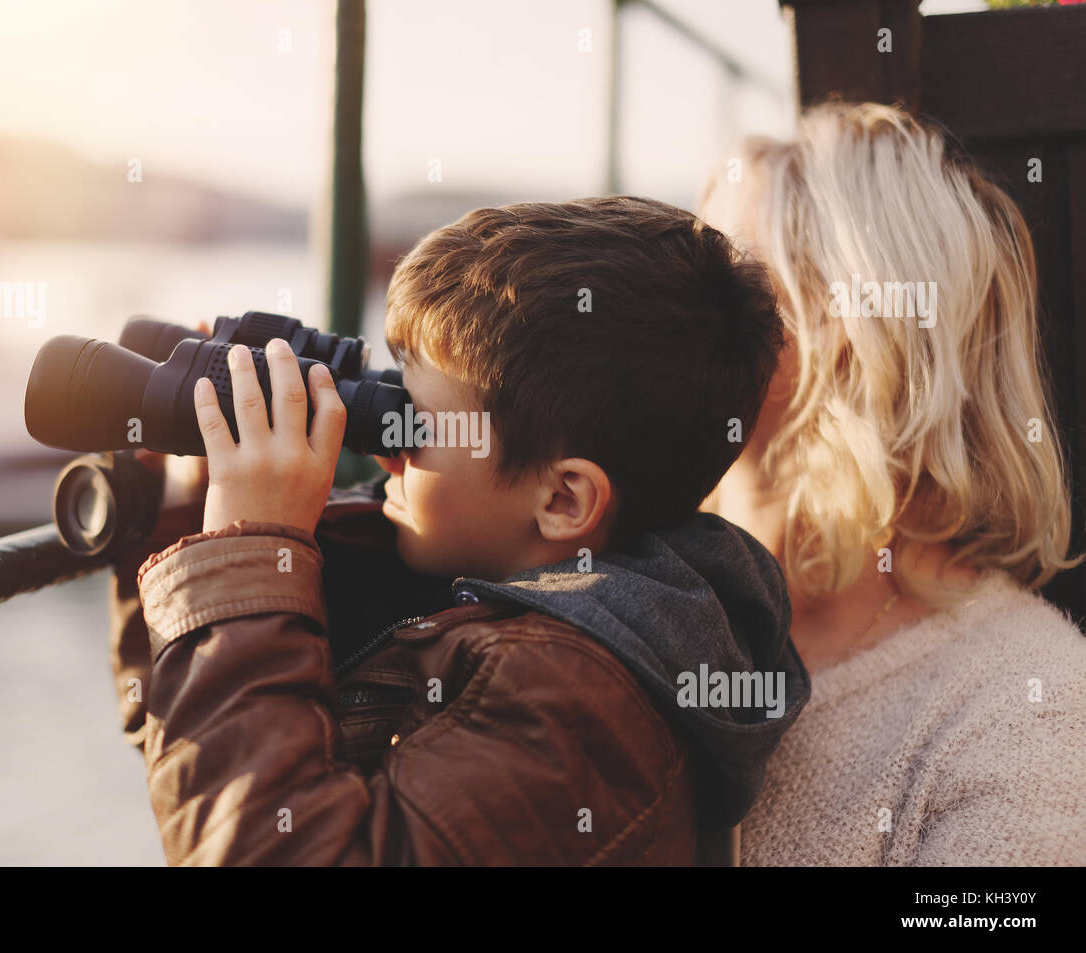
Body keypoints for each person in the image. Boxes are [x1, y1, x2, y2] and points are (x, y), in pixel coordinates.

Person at [108, 196, 809, 865]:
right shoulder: (536, 602)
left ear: (563, 500)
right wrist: (191, 514)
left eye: (414, 425)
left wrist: (251, 547)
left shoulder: (569, 701)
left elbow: (254, 836)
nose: (385, 453)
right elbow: (196, 759)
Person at [697, 101, 1086, 865]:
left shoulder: (1028, 709)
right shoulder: (631, 600)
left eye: (721, 275)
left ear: (851, 332)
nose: (663, 310)